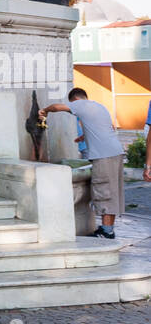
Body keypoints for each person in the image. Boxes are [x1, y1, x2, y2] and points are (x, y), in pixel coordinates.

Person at [42, 88, 124, 239]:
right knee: (112, 191)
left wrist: (44, 111)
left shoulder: (80, 104)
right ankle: (108, 229)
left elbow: (56, 107)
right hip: (115, 152)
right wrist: (83, 138)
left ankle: (106, 232)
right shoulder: (99, 106)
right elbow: (104, 128)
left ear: (75, 99)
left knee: (103, 191)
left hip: (104, 156)